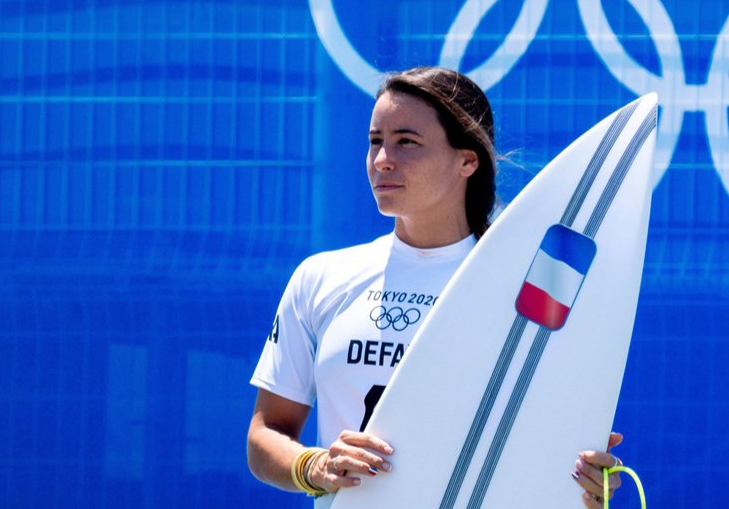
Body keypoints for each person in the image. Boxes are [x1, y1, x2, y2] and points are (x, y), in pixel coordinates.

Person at [247, 67, 622, 507]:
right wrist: (315, 466)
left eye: (407, 141)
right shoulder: (321, 278)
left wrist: (583, 482)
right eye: (375, 141)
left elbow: (559, 443)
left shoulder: (531, 286)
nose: (383, 158)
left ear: (468, 160)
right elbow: (265, 435)